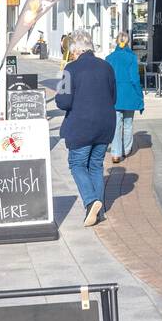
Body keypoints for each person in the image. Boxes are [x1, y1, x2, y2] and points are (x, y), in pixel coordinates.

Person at [56, 30, 117, 227]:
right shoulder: (107, 67)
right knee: (96, 165)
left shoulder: (69, 69)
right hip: (106, 124)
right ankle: (99, 212)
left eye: (72, 52)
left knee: (77, 164)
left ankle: (91, 201)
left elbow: (62, 102)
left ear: (75, 50)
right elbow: (113, 97)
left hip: (81, 125)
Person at [105, 31, 145, 163]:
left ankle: (115, 153)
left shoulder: (109, 58)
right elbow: (135, 79)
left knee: (117, 125)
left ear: (116, 41)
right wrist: (140, 96)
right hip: (130, 95)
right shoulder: (132, 58)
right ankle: (126, 150)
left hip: (115, 96)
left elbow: (107, 79)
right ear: (128, 42)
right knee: (128, 124)